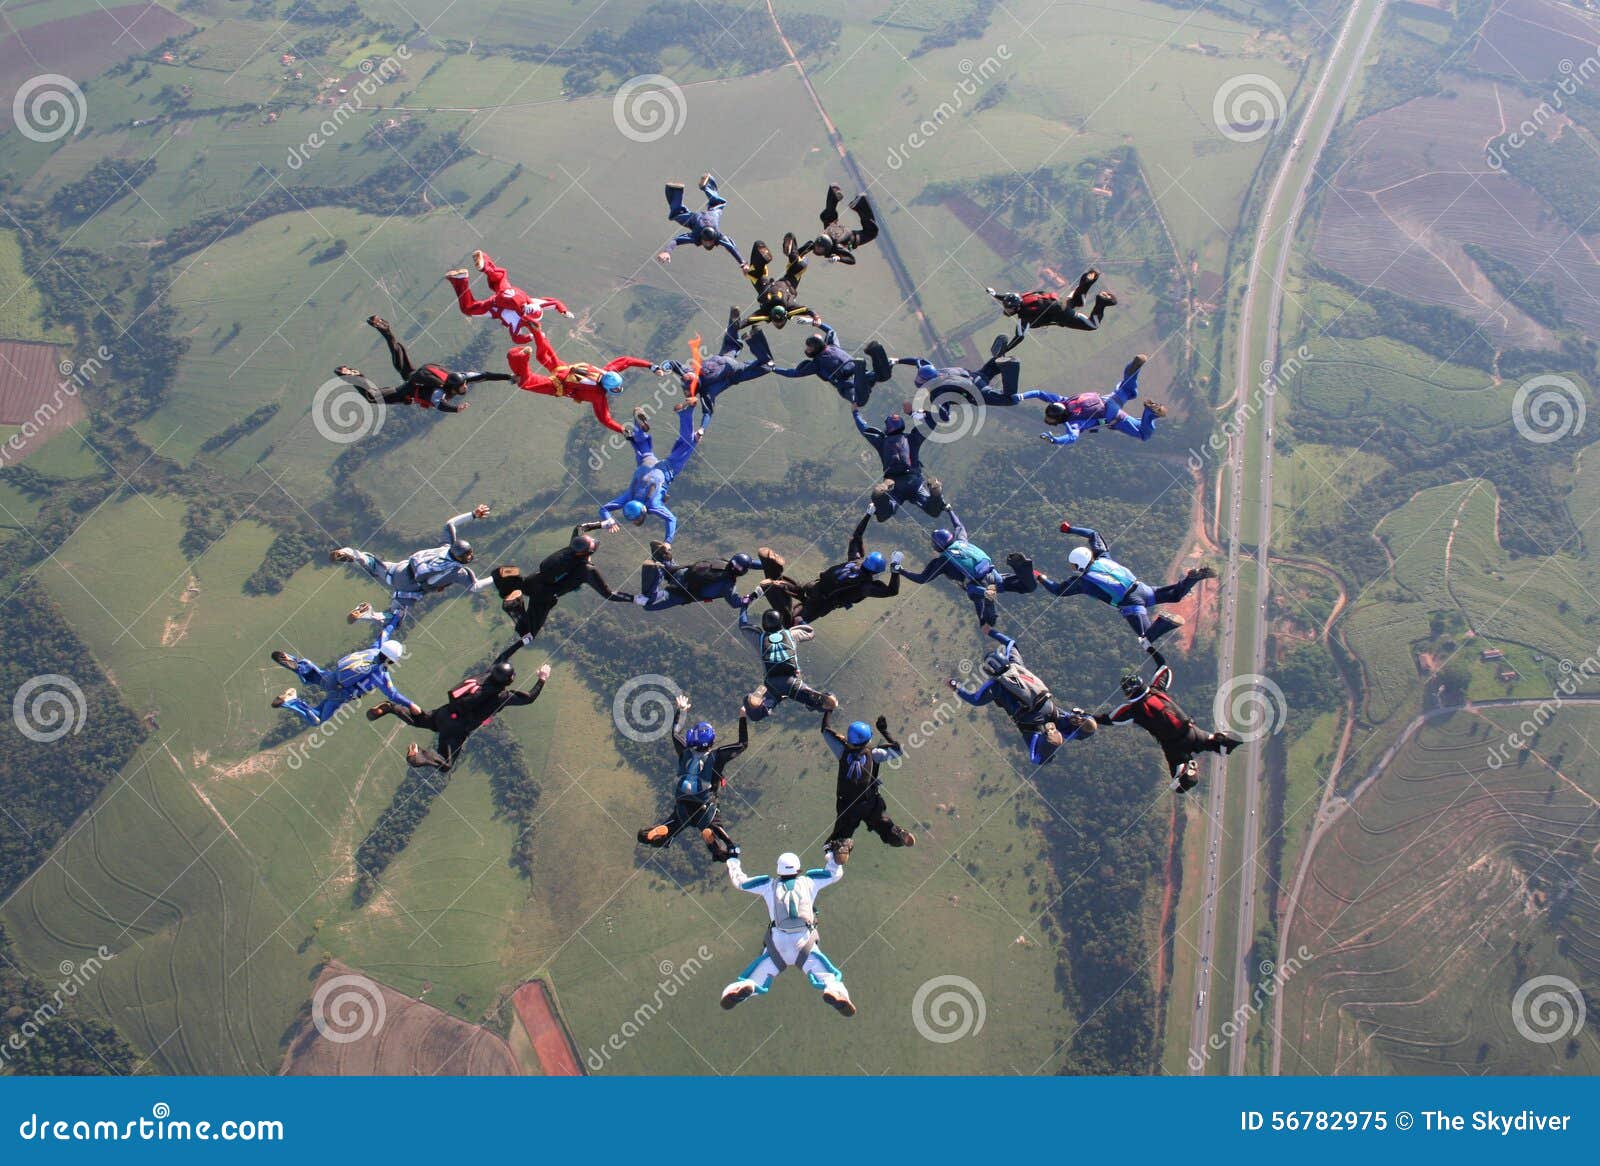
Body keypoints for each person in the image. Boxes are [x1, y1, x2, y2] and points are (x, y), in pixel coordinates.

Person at [719, 847, 855, 1016]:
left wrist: (732, 860)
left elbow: (740, 882)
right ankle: (834, 991)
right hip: (804, 942)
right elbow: (834, 874)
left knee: (754, 979)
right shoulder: (809, 882)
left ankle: (745, 988)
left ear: (779, 869)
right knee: (830, 978)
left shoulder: (768, 885)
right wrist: (831, 856)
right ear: (798, 869)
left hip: (778, 944)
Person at [368, 649, 550, 772]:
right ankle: (418, 757)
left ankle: (392, 708)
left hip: (445, 713)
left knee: (421, 720)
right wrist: (542, 679)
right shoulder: (503, 697)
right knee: (446, 764)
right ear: (508, 681)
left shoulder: (486, 675)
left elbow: (502, 656)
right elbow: (530, 698)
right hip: (457, 728)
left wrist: (522, 641)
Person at [1041, 520, 1216, 643]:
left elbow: (1057, 590)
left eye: (1073, 565)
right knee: (1176, 595)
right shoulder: (1103, 557)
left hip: (1131, 603)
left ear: (1078, 565)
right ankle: (1191, 579)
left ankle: (1164, 622)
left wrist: (1038, 576)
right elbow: (1093, 534)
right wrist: (1070, 529)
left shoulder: (1083, 582)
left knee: (1145, 637)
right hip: (1142, 589)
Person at [1095, 648, 1242, 791]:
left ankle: (1185, 770)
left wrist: (1087, 716)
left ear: (1128, 693)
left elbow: (1108, 719)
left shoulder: (1133, 710)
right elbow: (1163, 665)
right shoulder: (1157, 689)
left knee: (1179, 786)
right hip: (1191, 731)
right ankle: (1221, 741)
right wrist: (1150, 648)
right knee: (1211, 741)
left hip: (1174, 745)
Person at [948, 630, 1096, 765]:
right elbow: (1011, 643)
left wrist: (956, 686)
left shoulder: (996, 685)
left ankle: (1053, 742)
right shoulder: (1016, 664)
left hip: (1032, 718)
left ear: (990, 671)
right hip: (1049, 709)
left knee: (1037, 758)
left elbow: (975, 700)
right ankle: (1077, 725)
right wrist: (990, 631)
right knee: (1065, 725)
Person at [331, 505, 494, 625]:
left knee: (373, 563)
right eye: (467, 555)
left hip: (399, 571)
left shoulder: (446, 547)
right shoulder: (458, 572)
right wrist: (497, 577)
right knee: (395, 618)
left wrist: (473, 514)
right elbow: (475, 587)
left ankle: (351, 553)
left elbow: (450, 523)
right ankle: (369, 614)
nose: (470, 556)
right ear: (459, 557)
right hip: (409, 590)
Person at [636, 694, 747, 862]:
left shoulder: (685, 752)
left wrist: (681, 710)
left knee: (672, 827)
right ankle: (727, 849)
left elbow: (675, 733)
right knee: (713, 827)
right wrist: (743, 717)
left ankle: (653, 834)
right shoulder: (717, 756)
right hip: (705, 806)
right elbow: (742, 744)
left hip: (683, 804)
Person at [334, 315, 511, 414]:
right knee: (372, 397)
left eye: (464, 384)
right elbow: (440, 405)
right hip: (409, 389)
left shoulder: (461, 377)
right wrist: (456, 409)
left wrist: (508, 377)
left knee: (399, 360)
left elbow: (485, 376)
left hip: (417, 377)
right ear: (452, 387)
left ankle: (385, 330)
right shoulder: (439, 392)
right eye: (462, 386)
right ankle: (353, 376)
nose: (465, 386)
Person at [494, 522, 634, 645]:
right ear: (587, 553)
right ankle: (515, 608)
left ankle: (509, 586)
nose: (593, 541)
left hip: (533, 580)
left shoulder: (573, 545)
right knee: (530, 632)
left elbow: (580, 527)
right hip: (544, 595)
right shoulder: (585, 569)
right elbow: (609, 594)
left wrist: (603, 524)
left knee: (522, 587)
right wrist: (635, 599)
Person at [269, 611, 413, 728]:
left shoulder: (375, 649)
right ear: (391, 661)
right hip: (341, 694)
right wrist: (411, 705)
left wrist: (396, 619)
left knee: (315, 677)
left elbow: (384, 634)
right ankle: (292, 701)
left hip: (334, 678)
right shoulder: (381, 675)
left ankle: (301, 665)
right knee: (318, 718)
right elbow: (393, 695)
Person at [506, 325, 659, 435]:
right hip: (558, 386)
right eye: (616, 388)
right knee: (526, 383)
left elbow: (627, 361)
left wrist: (651, 366)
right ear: (608, 387)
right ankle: (521, 357)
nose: (618, 389)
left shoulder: (606, 371)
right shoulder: (598, 396)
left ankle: (537, 331)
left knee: (542, 356)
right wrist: (622, 430)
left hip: (563, 369)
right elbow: (605, 419)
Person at [754, 515, 902, 627]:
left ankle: (773, 571)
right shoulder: (865, 586)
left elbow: (856, 537)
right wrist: (895, 568)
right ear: (875, 572)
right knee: (789, 624)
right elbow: (892, 591)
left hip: (813, 586)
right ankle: (773, 586)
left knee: (799, 593)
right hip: (820, 604)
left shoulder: (854, 561)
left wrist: (868, 514)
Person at [899, 510, 1036, 631]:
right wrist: (949, 510)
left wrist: (900, 570)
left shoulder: (942, 562)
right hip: (992, 574)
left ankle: (988, 597)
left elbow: (922, 579)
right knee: (1028, 587)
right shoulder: (961, 541)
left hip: (979, 587)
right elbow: (959, 526)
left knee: (984, 612)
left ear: (937, 546)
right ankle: (1021, 566)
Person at [661, 307, 775, 434]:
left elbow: (707, 413)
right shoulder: (702, 388)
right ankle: (736, 326)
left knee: (766, 365)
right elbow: (673, 364)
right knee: (732, 342)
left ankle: (751, 337)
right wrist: (664, 369)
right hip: (725, 360)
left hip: (733, 370)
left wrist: (702, 429)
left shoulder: (703, 390)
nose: (688, 374)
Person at [819, 710, 914, 856]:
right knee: (883, 824)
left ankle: (838, 848)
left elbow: (825, 729)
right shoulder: (874, 754)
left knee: (840, 835)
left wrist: (829, 710)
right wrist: (884, 731)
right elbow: (898, 750)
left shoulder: (841, 750)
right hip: (871, 802)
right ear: (867, 740)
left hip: (848, 806)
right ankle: (895, 834)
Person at [598, 407, 699, 544]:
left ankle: (686, 413)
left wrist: (667, 542)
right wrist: (608, 520)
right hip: (646, 464)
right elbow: (603, 509)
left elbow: (671, 519)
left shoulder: (653, 505)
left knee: (687, 444)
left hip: (667, 469)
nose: (638, 520)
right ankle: (637, 426)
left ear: (643, 511)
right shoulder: (627, 499)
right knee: (641, 444)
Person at [1023, 355, 1164, 446]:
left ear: (1060, 418)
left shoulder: (1074, 423)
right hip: (1107, 400)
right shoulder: (1065, 401)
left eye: (1051, 420)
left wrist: (1055, 440)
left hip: (1113, 416)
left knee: (1144, 434)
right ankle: (1133, 369)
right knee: (1128, 390)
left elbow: (1071, 438)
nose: (1048, 421)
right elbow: (1040, 394)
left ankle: (1150, 412)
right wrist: (1020, 396)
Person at [445, 249, 574, 344]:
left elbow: (554, 302)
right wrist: (532, 337)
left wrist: (564, 311)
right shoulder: (517, 321)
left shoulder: (536, 304)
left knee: (499, 279)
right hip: (496, 305)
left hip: (509, 290)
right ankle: (461, 280)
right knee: (468, 308)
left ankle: (485, 265)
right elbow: (516, 338)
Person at [738, 607, 838, 721]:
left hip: (773, 685)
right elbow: (810, 632)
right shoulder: (791, 634)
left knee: (756, 716)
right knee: (821, 704)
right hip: (792, 682)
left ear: (764, 625)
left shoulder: (759, 639)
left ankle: (757, 706)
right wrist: (800, 621)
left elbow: (743, 625)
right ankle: (825, 699)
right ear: (781, 623)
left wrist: (744, 607)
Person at [989, 269, 1117, 356]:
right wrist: (995, 295)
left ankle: (1101, 301)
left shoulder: (1024, 317)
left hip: (1063, 314)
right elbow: (1009, 298)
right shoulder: (1023, 297)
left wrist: (1005, 350)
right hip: (1060, 302)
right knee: (1077, 301)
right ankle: (1087, 282)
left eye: (1008, 308)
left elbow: (1019, 337)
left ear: (1015, 308)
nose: (1005, 309)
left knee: (1093, 325)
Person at [855, 403, 945, 521]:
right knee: (933, 511)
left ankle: (880, 493)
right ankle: (935, 490)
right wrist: (913, 412)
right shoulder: (913, 438)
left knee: (883, 515)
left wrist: (855, 413)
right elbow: (932, 421)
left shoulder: (882, 441)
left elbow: (864, 429)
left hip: (894, 483)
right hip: (914, 481)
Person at [771, 323, 893, 407]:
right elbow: (831, 331)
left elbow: (793, 373)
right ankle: (876, 351)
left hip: (848, 386)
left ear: (815, 348)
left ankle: (867, 360)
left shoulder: (817, 364)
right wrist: (816, 323)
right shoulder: (833, 346)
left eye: (809, 348)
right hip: (862, 375)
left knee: (859, 401)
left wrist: (774, 369)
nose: (806, 350)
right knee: (883, 376)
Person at [635, 544, 759, 612]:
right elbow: (736, 603)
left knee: (670, 569)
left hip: (682, 572)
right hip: (681, 593)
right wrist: (754, 595)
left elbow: (747, 562)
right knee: (648, 605)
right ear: (743, 571)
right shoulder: (728, 585)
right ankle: (654, 571)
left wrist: (766, 564)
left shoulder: (723, 561)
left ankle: (663, 557)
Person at [657, 174, 742, 264]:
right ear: (714, 241)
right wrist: (666, 252)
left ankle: (707, 185)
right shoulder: (697, 237)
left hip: (712, 214)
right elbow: (676, 240)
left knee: (718, 203)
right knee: (677, 213)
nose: (707, 242)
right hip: (697, 218)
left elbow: (730, 246)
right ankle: (675, 190)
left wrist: (743, 263)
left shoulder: (719, 238)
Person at [737, 236, 815, 330]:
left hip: (784, 283)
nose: (776, 324)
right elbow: (749, 320)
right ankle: (762, 259)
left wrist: (816, 317)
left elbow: (808, 310)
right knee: (753, 273)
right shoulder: (768, 312)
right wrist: (738, 326)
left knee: (799, 266)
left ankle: (795, 252)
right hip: (776, 284)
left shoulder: (789, 308)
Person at [896, 353, 1024, 408]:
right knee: (988, 371)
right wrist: (897, 361)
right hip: (977, 376)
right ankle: (997, 360)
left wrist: (925, 412)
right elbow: (917, 361)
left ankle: (1011, 366)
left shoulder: (937, 394)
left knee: (1010, 399)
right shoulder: (932, 369)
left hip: (979, 393)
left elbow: (944, 416)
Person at [795, 184, 878, 264]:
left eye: (818, 249)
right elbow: (800, 251)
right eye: (817, 248)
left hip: (850, 236)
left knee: (872, 232)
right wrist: (796, 256)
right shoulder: (816, 244)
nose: (816, 250)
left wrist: (839, 258)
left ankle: (861, 203)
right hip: (833, 230)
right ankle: (833, 192)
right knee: (828, 217)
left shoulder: (837, 247)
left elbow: (852, 260)